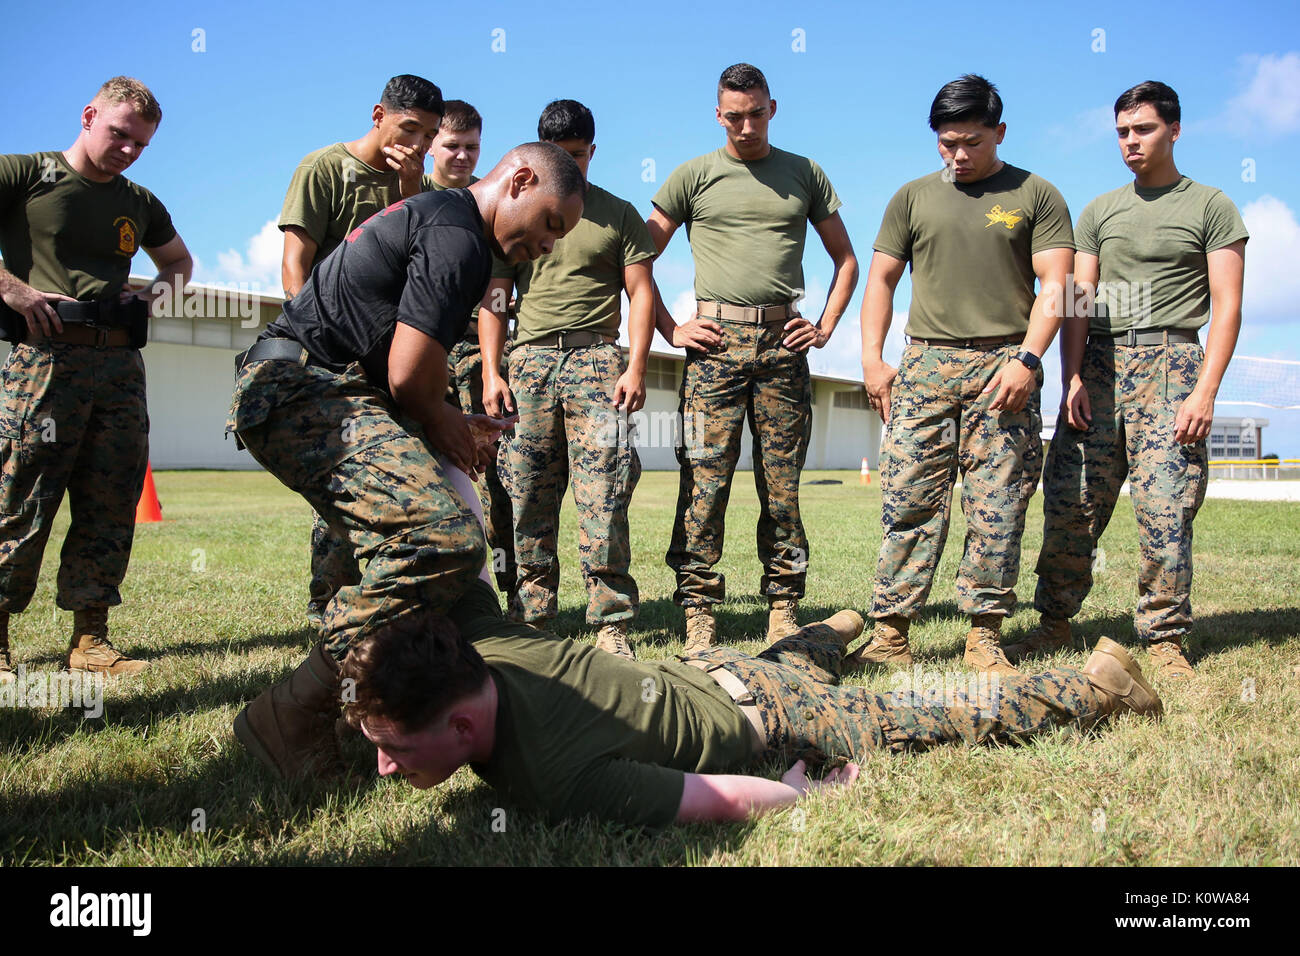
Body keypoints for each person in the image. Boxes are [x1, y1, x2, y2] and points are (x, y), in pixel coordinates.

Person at [227, 142, 585, 780]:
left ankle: (353, 708)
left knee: (385, 552)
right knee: (442, 539)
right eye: (551, 224)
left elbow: (408, 370)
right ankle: (290, 710)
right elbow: (408, 377)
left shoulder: (449, 224)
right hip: (301, 390)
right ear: (520, 180)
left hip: (311, 386)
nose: (549, 246)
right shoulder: (461, 237)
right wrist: (441, 420)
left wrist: (449, 419)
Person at [343, 576, 1162, 827]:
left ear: (458, 722)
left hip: (768, 716)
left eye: (396, 749)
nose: (383, 769)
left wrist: (803, 792)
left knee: (926, 716)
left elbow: (724, 795)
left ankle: (1095, 685)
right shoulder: (477, 642)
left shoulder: (555, 778)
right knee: (789, 659)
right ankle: (832, 632)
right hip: (710, 664)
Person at [1013, 82, 1248, 679]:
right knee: (1072, 500)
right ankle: (1054, 623)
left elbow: (1228, 306)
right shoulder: (1100, 210)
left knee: (1166, 508)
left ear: (1174, 129)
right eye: (1122, 131)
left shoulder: (1211, 206)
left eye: (1142, 129)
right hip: (1099, 365)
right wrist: (1070, 379)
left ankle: (1165, 638)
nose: (1130, 142)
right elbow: (1078, 298)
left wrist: (1205, 391)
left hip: (1174, 365)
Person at [856, 74, 1073, 677]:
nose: (958, 155)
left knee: (997, 502)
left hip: (1004, 365)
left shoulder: (1037, 195)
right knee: (908, 498)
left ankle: (984, 635)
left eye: (972, 142)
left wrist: (1029, 360)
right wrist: (873, 360)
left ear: (999, 132)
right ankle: (891, 633)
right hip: (923, 364)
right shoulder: (911, 197)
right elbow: (880, 281)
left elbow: (1057, 285)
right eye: (947, 143)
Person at [648, 63, 859, 653]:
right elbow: (637, 256)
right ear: (718, 115)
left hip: (781, 349)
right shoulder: (693, 176)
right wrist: (671, 327)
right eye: (734, 116)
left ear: (773, 109)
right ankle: (697, 614)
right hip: (714, 349)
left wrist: (823, 326)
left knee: (783, 487)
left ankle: (784, 608)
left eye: (756, 113)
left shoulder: (804, 173)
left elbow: (847, 260)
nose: (746, 126)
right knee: (703, 484)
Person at [0, 76, 192, 682]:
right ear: (89, 116)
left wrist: (151, 298)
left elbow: (180, 263)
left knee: (110, 499)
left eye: (141, 144)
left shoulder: (140, 201)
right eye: (119, 135)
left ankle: (91, 639)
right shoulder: (25, 173)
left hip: (119, 367)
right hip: (44, 361)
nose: (128, 151)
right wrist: (10, 287)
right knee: (20, 495)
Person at [480, 99, 656, 659]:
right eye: (562, 156)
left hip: (596, 363)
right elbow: (495, 297)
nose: (573, 166)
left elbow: (641, 292)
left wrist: (635, 365)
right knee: (527, 489)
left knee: (603, 493)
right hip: (529, 362)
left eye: (580, 156)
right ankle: (533, 616)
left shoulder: (618, 213)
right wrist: (491, 369)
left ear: (592, 153)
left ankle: (611, 621)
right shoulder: (524, 211)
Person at [276, 74, 445, 628]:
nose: (417, 143)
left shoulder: (419, 186)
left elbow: (418, 260)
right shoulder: (324, 168)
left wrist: (411, 184)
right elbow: (294, 267)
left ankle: (386, 607)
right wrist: (320, 345)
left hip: (388, 358)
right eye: (408, 129)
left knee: (399, 485)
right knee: (344, 484)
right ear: (378, 115)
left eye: (429, 135)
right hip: (330, 357)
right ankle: (328, 608)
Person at [424, 100, 519, 612]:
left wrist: (493, 366)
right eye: (452, 146)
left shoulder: (489, 202)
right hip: (420, 351)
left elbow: (499, 292)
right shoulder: (413, 197)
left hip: (477, 353)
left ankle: (498, 594)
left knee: (495, 474)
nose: (462, 156)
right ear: (432, 146)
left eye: (472, 147)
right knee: (427, 469)